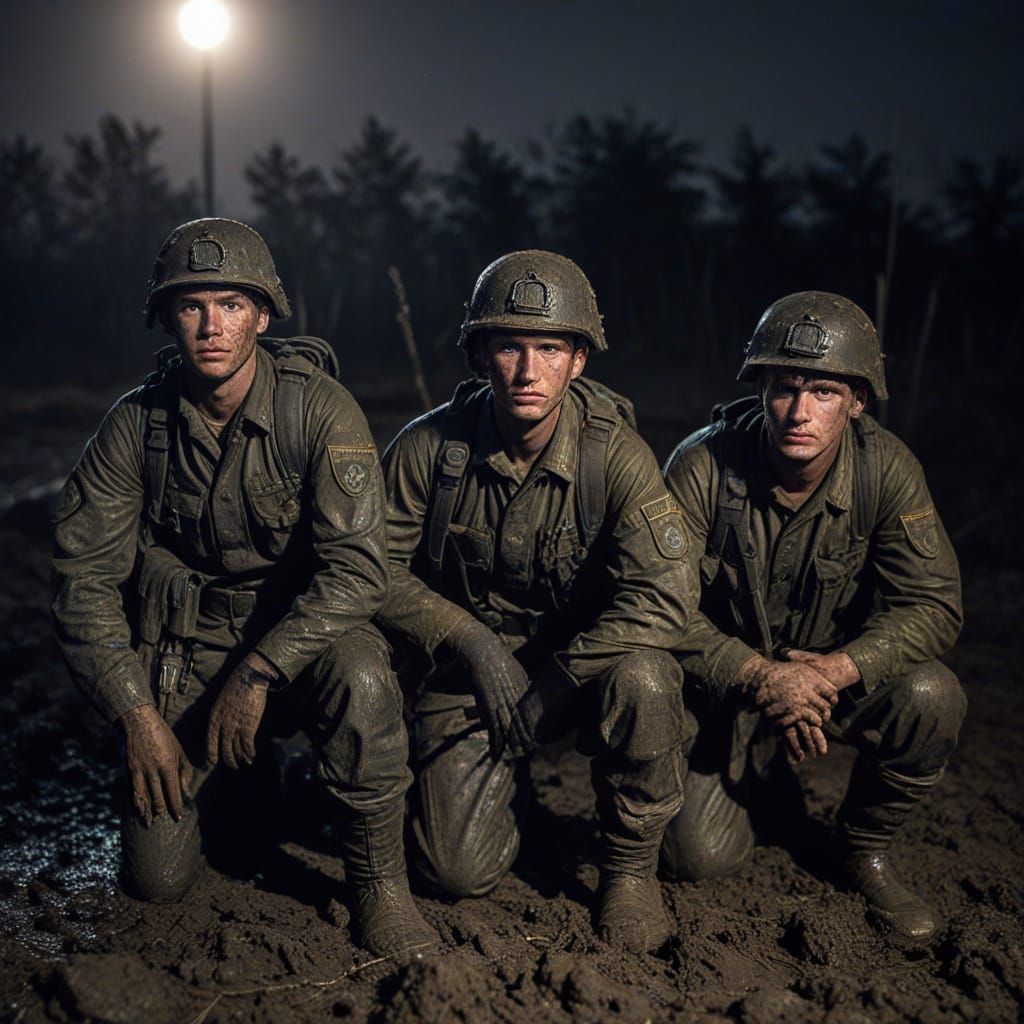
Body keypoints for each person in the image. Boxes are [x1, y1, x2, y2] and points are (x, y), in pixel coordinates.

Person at [50, 217, 436, 956]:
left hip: (300, 639)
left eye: (230, 304)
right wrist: (135, 715)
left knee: (363, 673)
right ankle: (246, 786)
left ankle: (379, 886)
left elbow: (358, 569)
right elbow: (83, 581)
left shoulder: (319, 409)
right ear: (167, 318)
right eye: (191, 306)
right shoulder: (134, 426)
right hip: (186, 648)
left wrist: (261, 669)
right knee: (157, 880)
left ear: (262, 314)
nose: (211, 326)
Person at [376, 250, 692, 953]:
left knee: (646, 676)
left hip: (580, 672)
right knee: (453, 873)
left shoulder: (615, 455)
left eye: (549, 348)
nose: (527, 370)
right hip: (470, 679)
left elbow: (665, 594)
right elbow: (371, 571)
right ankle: (502, 792)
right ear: (479, 353)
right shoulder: (428, 447)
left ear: (579, 359)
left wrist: (561, 677)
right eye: (509, 346)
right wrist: (470, 639)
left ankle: (629, 870)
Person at [659, 291, 965, 941]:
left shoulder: (886, 469)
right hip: (723, 690)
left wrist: (838, 669)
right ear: (760, 388)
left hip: (830, 685)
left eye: (824, 392)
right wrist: (756, 675)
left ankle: (864, 850)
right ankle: (763, 779)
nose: (799, 412)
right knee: (694, 859)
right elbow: (656, 608)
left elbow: (935, 603)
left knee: (932, 694)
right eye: (784, 387)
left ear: (857, 401)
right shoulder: (701, 465)